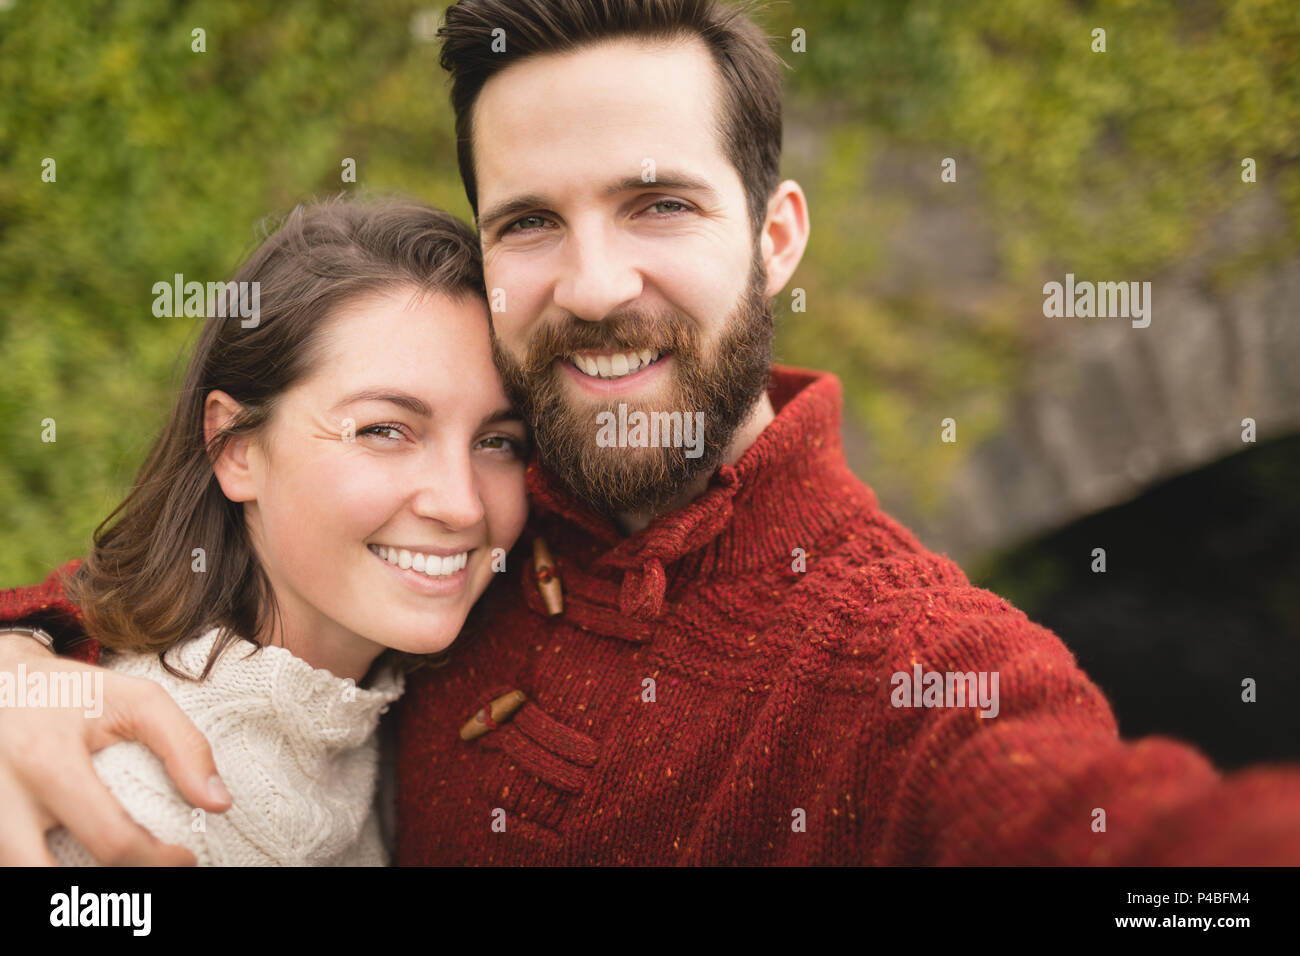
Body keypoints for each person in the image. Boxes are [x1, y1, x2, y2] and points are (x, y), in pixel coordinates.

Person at [3, 0, 1299, 865]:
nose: (594, 284)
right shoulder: (496, 508)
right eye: (529, 222)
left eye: (659, 204)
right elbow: (191, 580)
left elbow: (1093, 822)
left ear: (775, 236)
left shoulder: (906, 669)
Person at [2, 197, 530, 864]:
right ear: (236, 448)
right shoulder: (127, 803)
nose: (462, 505)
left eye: (497, 441)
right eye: (384, 430)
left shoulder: (395, 717)